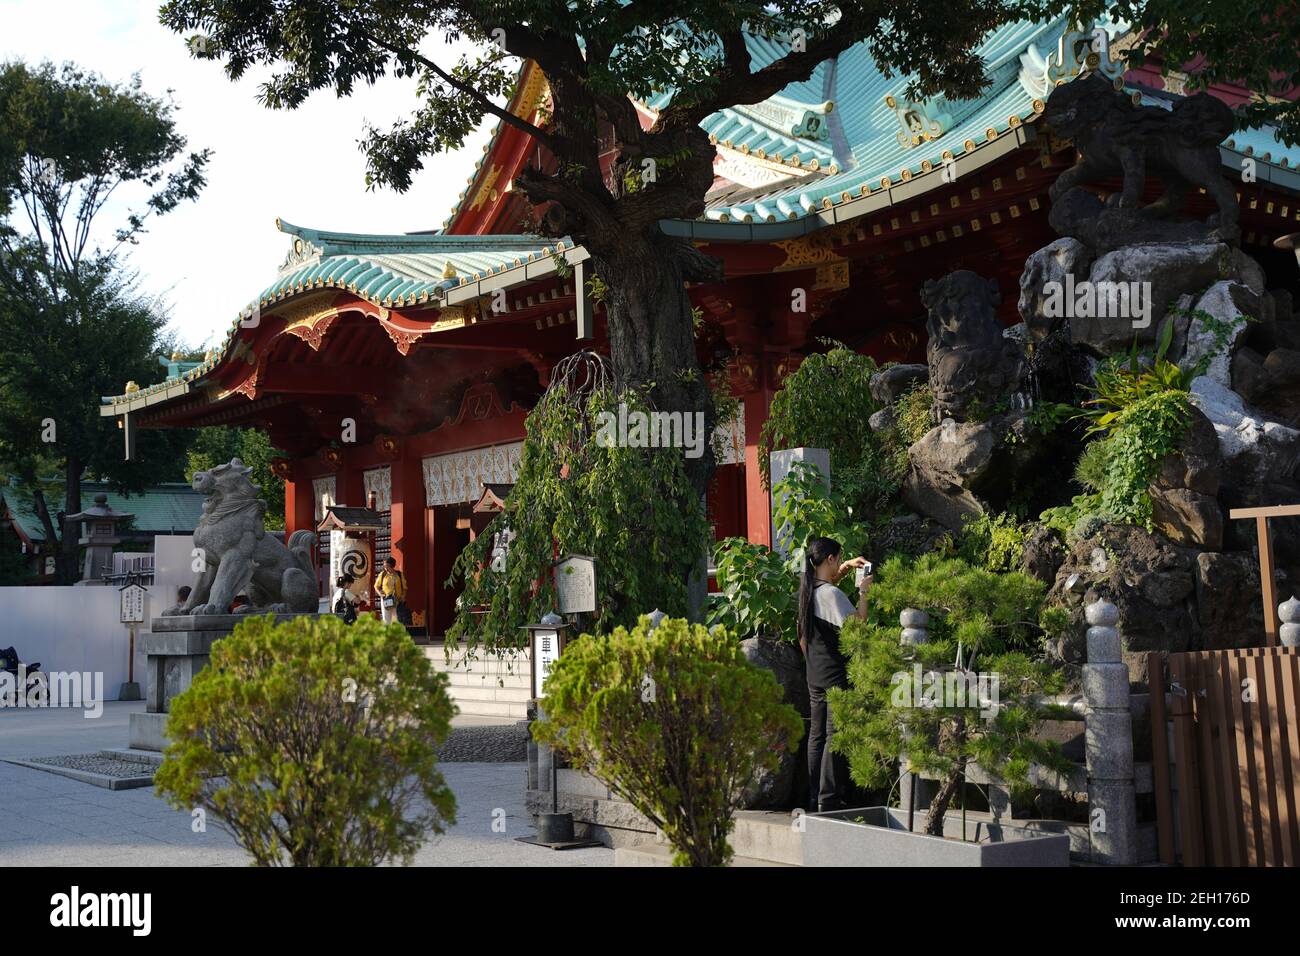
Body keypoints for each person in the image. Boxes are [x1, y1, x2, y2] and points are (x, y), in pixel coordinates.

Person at [798, 536, 871, 814]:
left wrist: (847, 568)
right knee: (834, 735)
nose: (841, 563)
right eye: (839, 559)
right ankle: (828, 799)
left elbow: (827, 592)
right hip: (835, 674)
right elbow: (858, 628)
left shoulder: (808, 588)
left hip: (814, 672)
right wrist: (864, 593)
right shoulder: (831, 595)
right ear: (829, 560)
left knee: (816, 735)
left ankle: (814, 797)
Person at [374, 557, 407, 625]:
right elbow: (376, 586)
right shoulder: (382, 574)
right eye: (384, 566)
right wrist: (380, 593)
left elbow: (404, 587)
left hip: (397, 600)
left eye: (387, 566)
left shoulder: (399, 574)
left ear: (392, 565)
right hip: (386, 600)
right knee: (386, 620)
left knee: (399, 619)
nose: (385, 568)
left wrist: (403, 596)